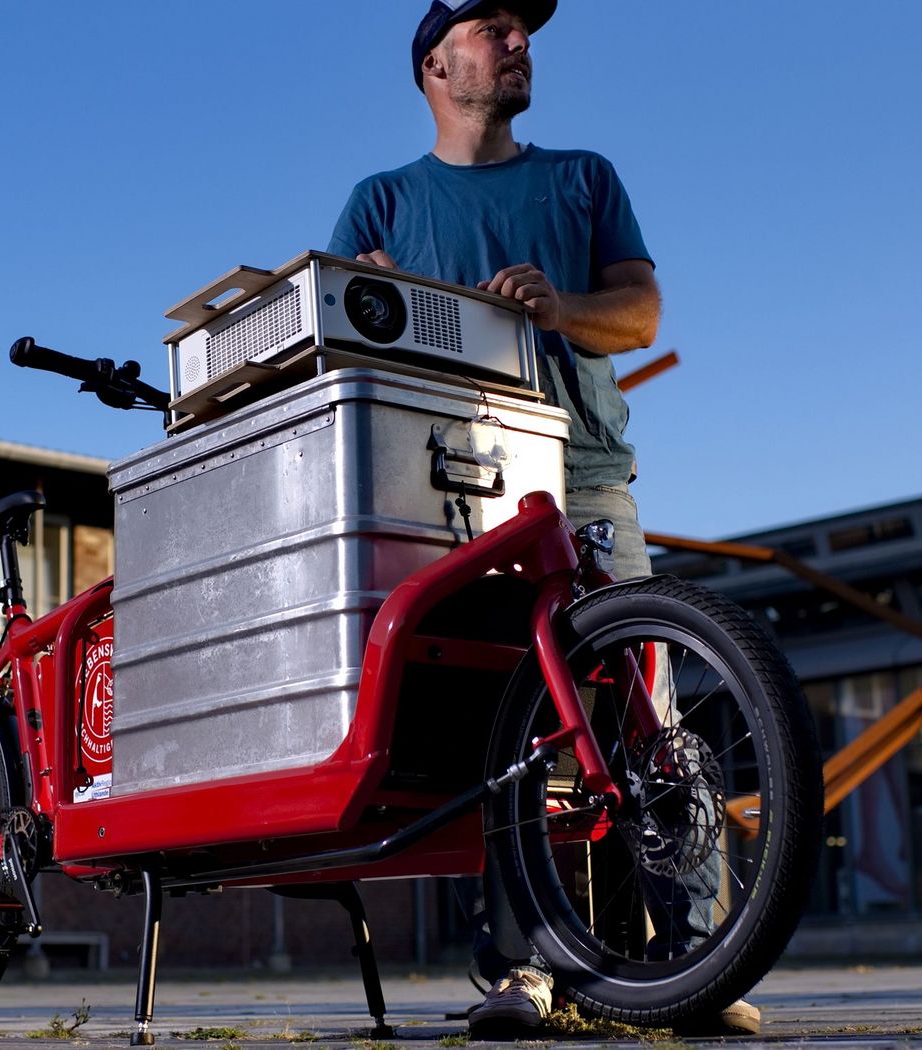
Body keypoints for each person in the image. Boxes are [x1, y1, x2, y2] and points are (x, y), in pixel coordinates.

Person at [325, 0, 759, 1037]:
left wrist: (559, 308)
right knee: (509, 730)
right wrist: (366, 300)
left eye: (525, 30)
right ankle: (528, 970)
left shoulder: (582, 178)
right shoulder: (379, 201)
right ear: (435, 63)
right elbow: (333, 345)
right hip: (445, 486)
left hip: (582, 473)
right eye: (492, 27)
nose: (519, 42)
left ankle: (689, 960)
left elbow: (642, 314)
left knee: (641, 719)